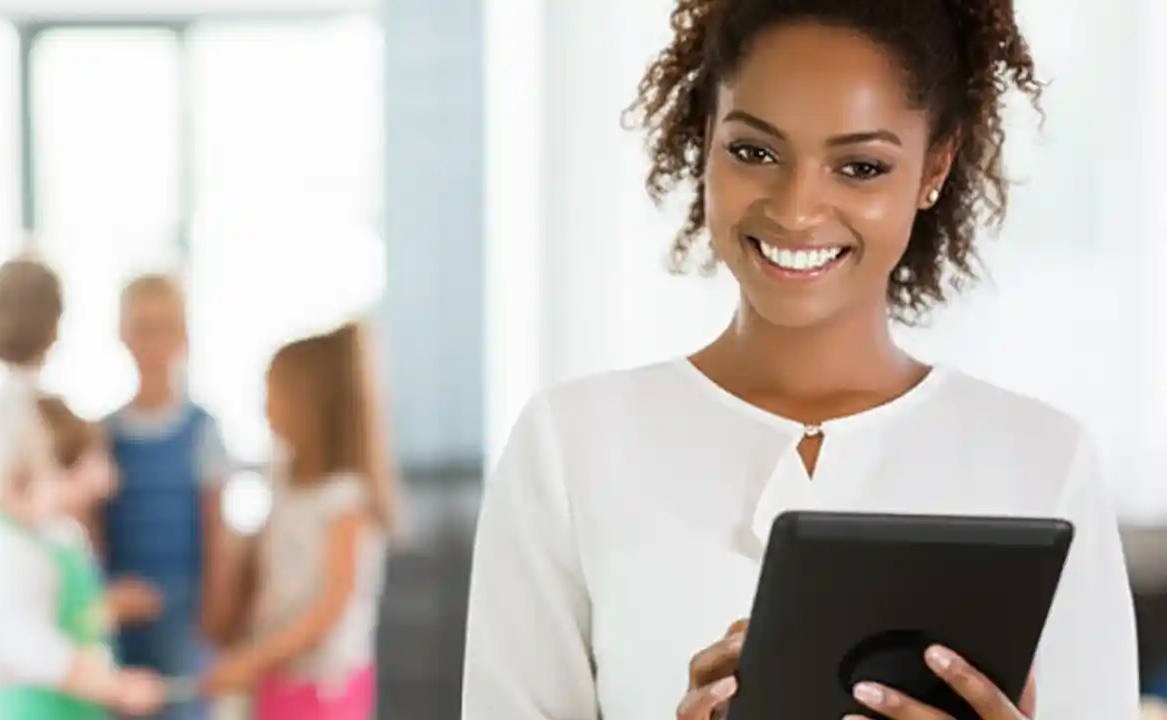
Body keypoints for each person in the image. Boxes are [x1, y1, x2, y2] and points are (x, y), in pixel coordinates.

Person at [461, 1, 1139, 719]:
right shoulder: (570, 445)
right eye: (754, 152)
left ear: (934, 166)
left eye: (860, 166)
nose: (796, 209)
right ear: (705, 137)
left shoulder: (1043, 460)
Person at [0, 258, 165, 717]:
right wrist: (115, 686)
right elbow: (26, 642)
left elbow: (63, 613)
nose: (103, 484)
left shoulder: (55, 539)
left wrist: (110, 606)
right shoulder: (9, 548)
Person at [201, 323, 398, 720]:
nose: (264, 407)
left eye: (272, 394)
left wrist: (253, 658)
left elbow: (329, 609)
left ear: (307, 404)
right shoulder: (283, 479)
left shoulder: (344, 498)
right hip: (280, 676)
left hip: (325, 684)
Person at [99, 274, 232, 720]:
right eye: (142, 328)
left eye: (165, 328)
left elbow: (217, 531)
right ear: (123, 335)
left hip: (185, 611)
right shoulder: (104, 434)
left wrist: (214, 612)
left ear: (184, 337)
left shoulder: (203, 429)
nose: (153, 343)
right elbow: (96, 533)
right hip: (120, 610)